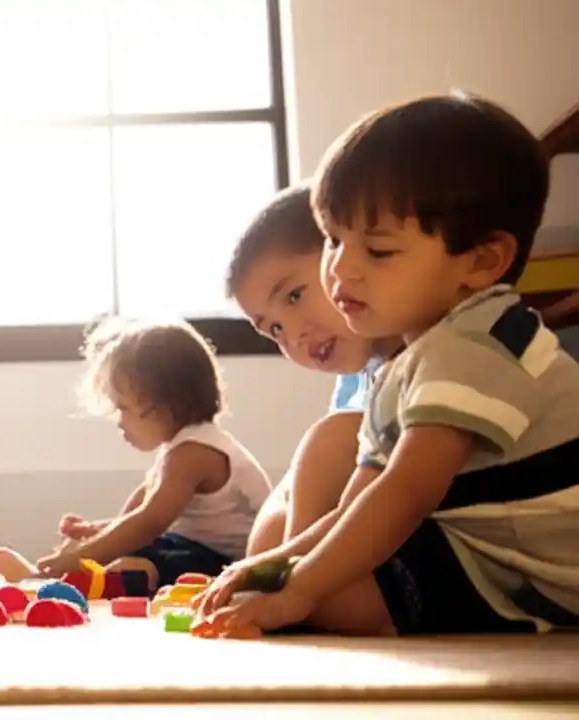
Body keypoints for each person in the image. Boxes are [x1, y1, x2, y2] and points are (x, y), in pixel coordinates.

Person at [197, 93, 579, 637]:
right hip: (491, 560)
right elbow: (357, 505)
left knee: (331, 593)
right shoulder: (404, 368)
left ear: (480, 261)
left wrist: (301, 588)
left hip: (541, 581)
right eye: (333, 240)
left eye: (376, 251)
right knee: (307, 576)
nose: (342, 268)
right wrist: (272, 566)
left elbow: (405, 492)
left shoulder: (476, 344)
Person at [0, 318, 272, 591]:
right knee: (126, 548)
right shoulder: (177, 450)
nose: (119, 421)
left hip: (230, 565)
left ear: (166, 401)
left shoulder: (193, 454)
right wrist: (98, 532)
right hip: (192, 548)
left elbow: (148, 522)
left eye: (124, 408)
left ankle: (62, 579)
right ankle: (62, 577)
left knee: (145, 560)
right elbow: (135, 517)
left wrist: (77, 558)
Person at [225, 183, 401, 558]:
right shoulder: (355, 382)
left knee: (331, 439)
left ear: (340, 259)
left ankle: (295, 582)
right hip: (373, 536)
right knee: (290, 485)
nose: (294, 335)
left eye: (294, 296)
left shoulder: (426, 352)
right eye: (274, 330)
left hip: (430, 547)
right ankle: (279, 579)